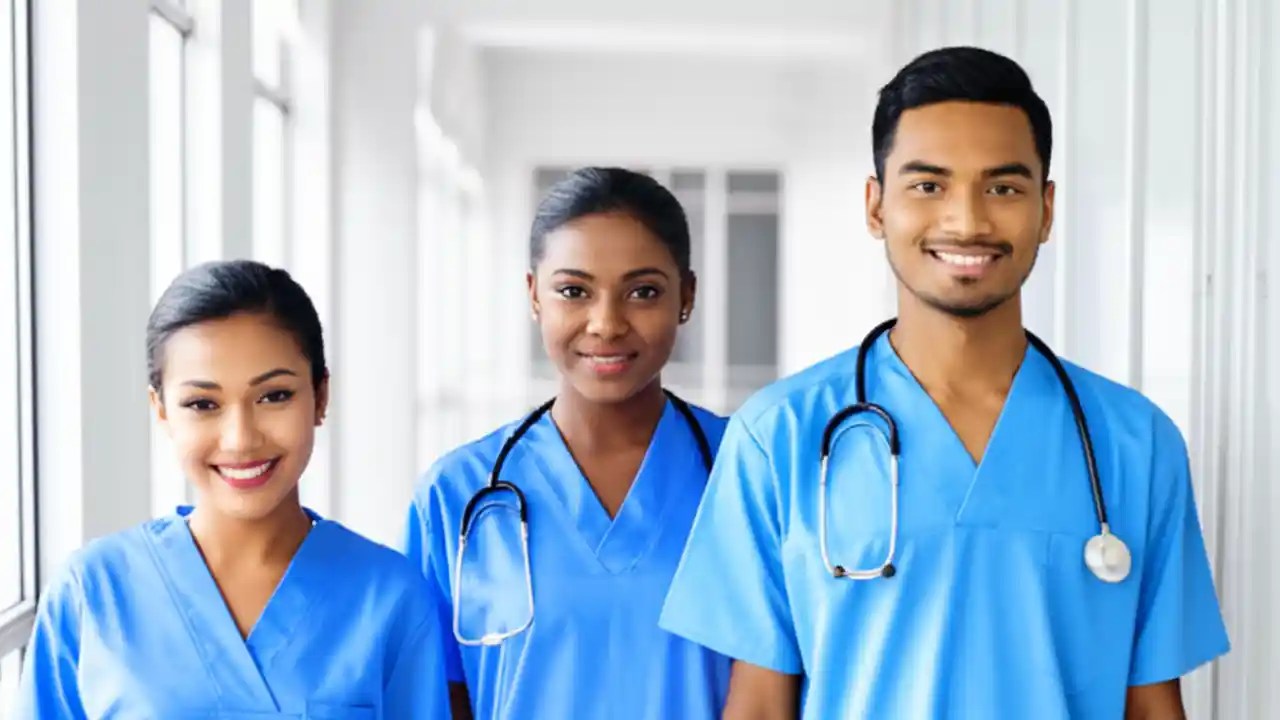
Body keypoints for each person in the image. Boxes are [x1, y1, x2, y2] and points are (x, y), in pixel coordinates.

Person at [659, 47, 1230, 719]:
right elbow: (757, 705)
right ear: (875, 207)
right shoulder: (778, 436)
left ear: (1046, 210)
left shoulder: (1136, 443)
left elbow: (1154, 705)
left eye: (1003, 187)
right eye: (928, 185)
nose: (967, 220)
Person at [17, 260, 450, 718]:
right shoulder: (92, 593)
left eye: (274, 396)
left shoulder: (389, 596)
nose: (241, 438)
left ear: (320, 397)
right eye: (203, 404)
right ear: (161, 411)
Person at [401, 167, 731, 719]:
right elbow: (433, 698)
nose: (606, 323)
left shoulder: (749, 471)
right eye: (574, 291)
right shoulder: (457, 494)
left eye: (643, 291)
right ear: (534, 295)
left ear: (686, 296)